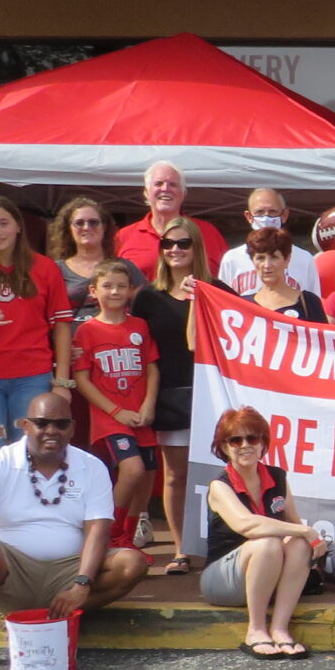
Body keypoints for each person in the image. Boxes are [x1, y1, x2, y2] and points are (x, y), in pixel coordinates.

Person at [0, 392, 149, 670]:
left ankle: (57, 615)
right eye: (42, 423)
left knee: (132, 563)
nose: (52, 431)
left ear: (72, 428)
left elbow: (97, 529)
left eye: (61, 424)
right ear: (25, 425)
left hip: (67, 571)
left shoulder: (91, 466)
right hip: (9, 572)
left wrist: (82, 584)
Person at [198, 404, 325, 660]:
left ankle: (280, 630)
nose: (245, 445)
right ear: (224, 447)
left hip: (267, 573)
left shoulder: (277, 477)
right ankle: (255, 631)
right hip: (222, 580)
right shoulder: (219, 486)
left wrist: (306, 539)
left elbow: (294, 526)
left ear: (262, 443)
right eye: (235, 440)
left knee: (299, 544)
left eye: (252, 438)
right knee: (267, 542)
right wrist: (305, 530)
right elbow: (246, 525)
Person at [0, 192, 72, 473]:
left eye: (3, 223)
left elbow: (63, 327)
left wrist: (62, 382)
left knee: (31, 452)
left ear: (18, 225)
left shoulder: (44, 268)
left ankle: (28, 515)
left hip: (32, 378)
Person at [68, 258, 159, 552]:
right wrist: (116, 411)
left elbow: (152, 368)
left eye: (122, 286)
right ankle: (111, 533)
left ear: (131, 290)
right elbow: (82, 379)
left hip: (141, 415)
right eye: (108, 286)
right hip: (110, 419)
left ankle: (129, 536)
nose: (115, 292)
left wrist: (148, 405)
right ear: (94, 291)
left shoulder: (140, 326)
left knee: (146, 474)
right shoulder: (87, 331)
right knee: (130, 470)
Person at [135, 224, 210, 574]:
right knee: (176, 475)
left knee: (217, 476)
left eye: (183, 243)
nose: (175, 249)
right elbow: (134, 346)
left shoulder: (218, 291)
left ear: (196, 247)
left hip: (213, 396)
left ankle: (220, 543)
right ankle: (181, 548)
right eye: (168, 243)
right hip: (170, 394)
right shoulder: (148, 298)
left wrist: (201, 297)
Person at [115, 160, 228, 276]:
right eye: (158, 183)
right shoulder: (123, 237)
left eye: (173, 184)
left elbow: (227, 279)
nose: (165, 189)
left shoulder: (208, 233)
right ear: (146, 192)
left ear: (184, 193)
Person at [216, 188, 320, 297]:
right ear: (249, 216)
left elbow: (315, 303)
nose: (266, 217)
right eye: (259, 212)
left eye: (272, 212)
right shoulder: (232, 259)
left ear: (284, 215)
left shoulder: (304, 258)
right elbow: (222, 303)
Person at [45, 193, 115, 320]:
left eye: (93, 222)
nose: (86, 227)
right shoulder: (55, 269)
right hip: (69, 338)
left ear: (104, 227)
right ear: (69, 229)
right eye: (79, 223)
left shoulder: (124, 267)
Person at [240, 226, 327, 321]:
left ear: (287, 260)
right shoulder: (243, 304)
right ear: (252, 261)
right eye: (260, 258)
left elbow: (322, 334)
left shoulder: (309, 302)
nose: (267, 265)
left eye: (274, 257)